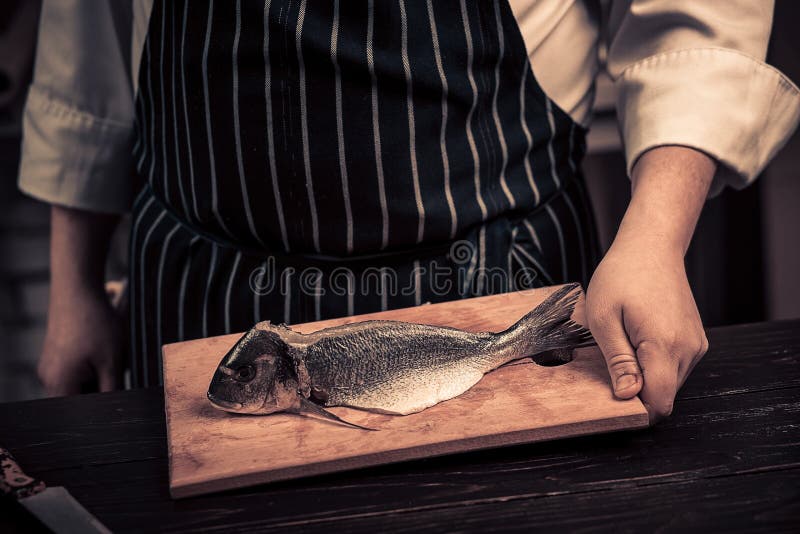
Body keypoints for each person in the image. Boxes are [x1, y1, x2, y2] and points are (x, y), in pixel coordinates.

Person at [19, 0, 799, 422]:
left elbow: (700, 13)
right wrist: (73, 280)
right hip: (203, 282)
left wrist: (656, 238)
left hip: (495, 263)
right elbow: (83, 27)